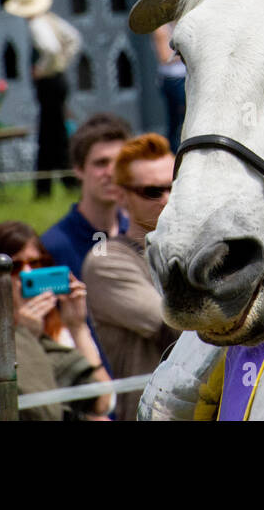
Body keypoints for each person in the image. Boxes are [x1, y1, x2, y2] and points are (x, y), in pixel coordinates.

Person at [0, 222, 112, 420]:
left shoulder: (62, 333)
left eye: (35, 263)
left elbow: (104, 403)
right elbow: (10, 408)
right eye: (14, 267)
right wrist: (24, 334)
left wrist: (77, 327)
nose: (26, 273)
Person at [83, 133, 181, 420]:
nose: (167, 199)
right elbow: (174, 327)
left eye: (175, 187)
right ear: (121, 195)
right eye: (152, 191)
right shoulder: (106, 262)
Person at [4, 0, 82, 199]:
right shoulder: (51, 19)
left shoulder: (37, 24)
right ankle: (63, 182)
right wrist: (62, 63)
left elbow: (50, 48)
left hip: (49, 84)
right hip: (57, 82)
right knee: (55, 134)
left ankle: (46, 187)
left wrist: (44, 68)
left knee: (49, 135)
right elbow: (74, 39)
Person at [41, 113, 131, 281]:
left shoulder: (140, 238)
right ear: (78, 169)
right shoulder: (52, 247)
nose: (111, 173)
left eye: (120, 162)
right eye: (101, 163)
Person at [152, 23, 187, 152]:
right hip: (174, 80)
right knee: (177, 122)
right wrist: (190, 52)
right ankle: (173, 152)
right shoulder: (162, 27)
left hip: (186, 77)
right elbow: (165, 56)